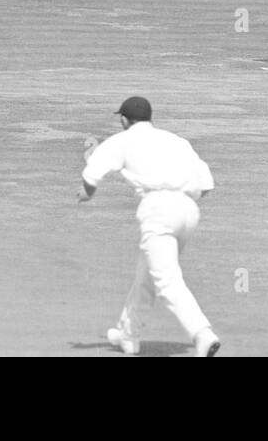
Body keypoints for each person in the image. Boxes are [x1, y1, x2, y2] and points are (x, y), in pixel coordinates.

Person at [79, 96, 221, 358]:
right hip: (189, 211)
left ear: (123, 119)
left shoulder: (122, 140)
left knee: (166, 280)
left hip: (158, 211)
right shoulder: (176, 141)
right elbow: (207, 186)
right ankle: (128, 334)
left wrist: (86, 194)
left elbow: (91, 174)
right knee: (147, 276)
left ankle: (202, 334)